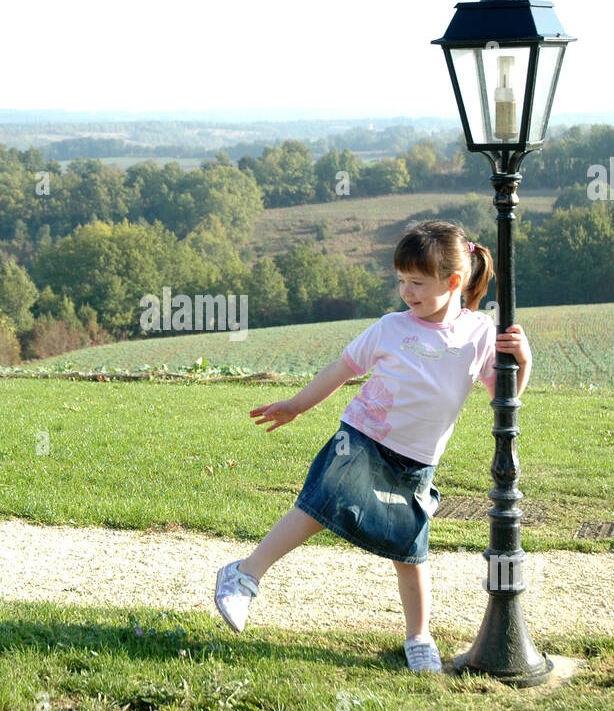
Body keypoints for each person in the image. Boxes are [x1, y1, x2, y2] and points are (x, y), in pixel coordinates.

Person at [214, 219, 532, 673]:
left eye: (417, 283)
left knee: (410, 548)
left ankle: (419, 637)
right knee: (316, 508)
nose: (406, 291)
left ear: (454, 281)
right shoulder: (389, 328)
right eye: (401, 280)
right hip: (363, 437)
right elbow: (340, 369)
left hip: (418, 460)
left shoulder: (479, 333)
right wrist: (297, 405)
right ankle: (244, 575)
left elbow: (504, 399)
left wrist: (524, 361)